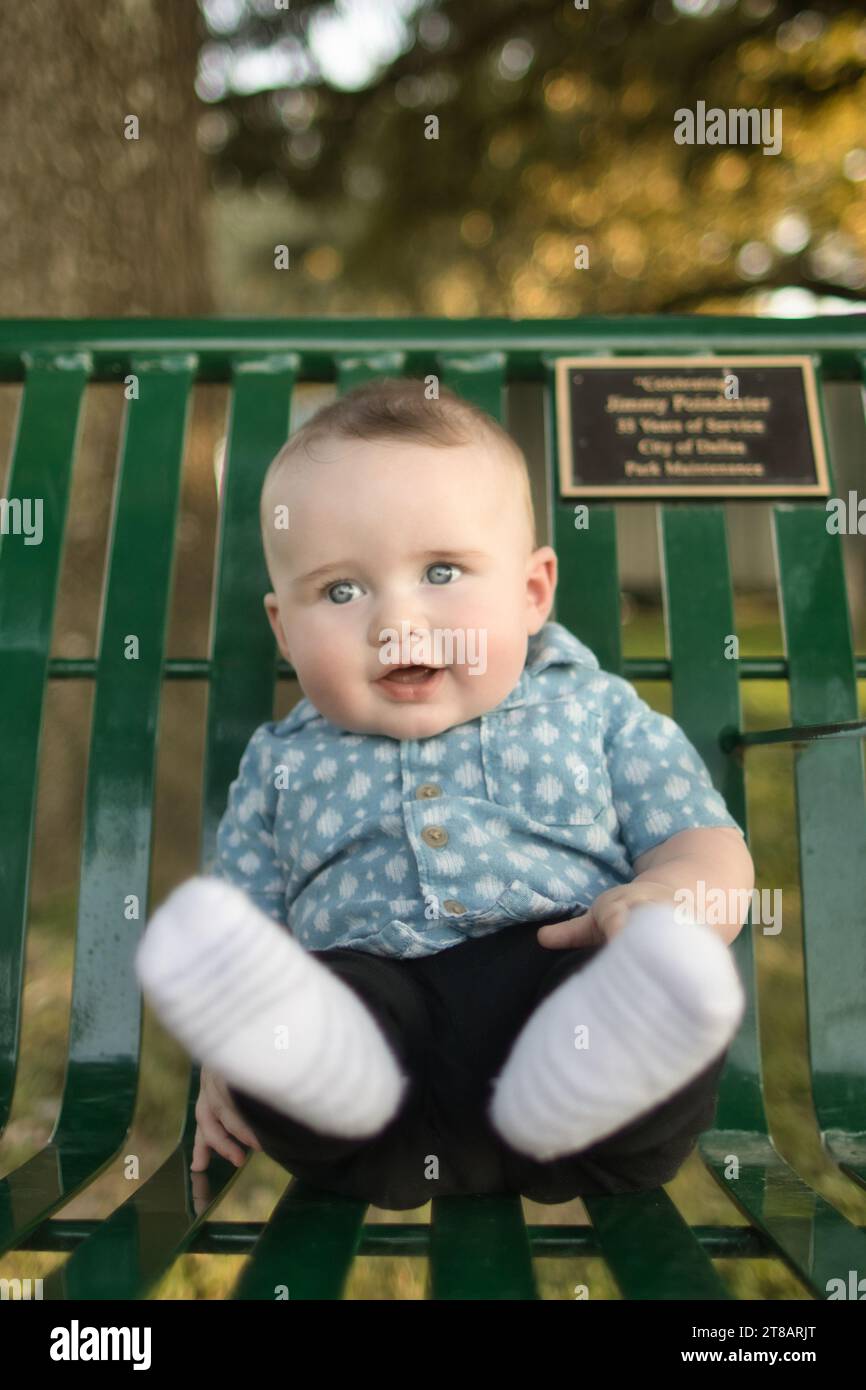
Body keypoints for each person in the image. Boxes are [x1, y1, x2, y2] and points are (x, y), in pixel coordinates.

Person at [136, 377, 752, 1211]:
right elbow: (253, 922)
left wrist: (669, 900)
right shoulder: (281, 761)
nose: (396, 624)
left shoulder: (595, 710)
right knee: (321, 1008)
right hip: (377, 1052)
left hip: (552, 986)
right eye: (341, 591)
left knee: (614, 991)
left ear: (532, 593)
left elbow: (700, 838)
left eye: (442, 571)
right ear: (284, 629)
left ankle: (611, 1058)